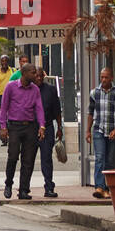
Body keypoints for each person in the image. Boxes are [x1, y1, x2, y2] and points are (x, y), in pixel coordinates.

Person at [0, 63, 45, 200]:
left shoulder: (35, 89)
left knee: (28, 159)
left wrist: (42, 126)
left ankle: (24, 189)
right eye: (33, 73)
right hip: (14, 126)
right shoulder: (11, 87)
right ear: (24, 74)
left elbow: (39, 108)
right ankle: (8, 183)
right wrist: (3, 127)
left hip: (30, 126)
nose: (36, 75)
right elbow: (4, 107)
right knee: (13, 156)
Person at [85, 66, 115, 200]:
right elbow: (90, 113)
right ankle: (99, 187)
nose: (103, 80)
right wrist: (88, 131)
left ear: (111, 78)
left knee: (110, 160)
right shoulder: (94, 93)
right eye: (101, 77)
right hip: (99, 129)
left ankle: (107, 188)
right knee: (100, 158)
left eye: (106, 77)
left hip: (112, 130)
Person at [35, 63, 65, 198]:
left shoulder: (51, 90)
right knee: (27, 160)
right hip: (31, 129)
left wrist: (59, 127)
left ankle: (49, 186)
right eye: (37, 75)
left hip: (47, 128)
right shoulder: (27, 89)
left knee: (46, 158)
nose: (39, 78)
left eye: (41, 75)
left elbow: (57, 110)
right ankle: (24, 189)